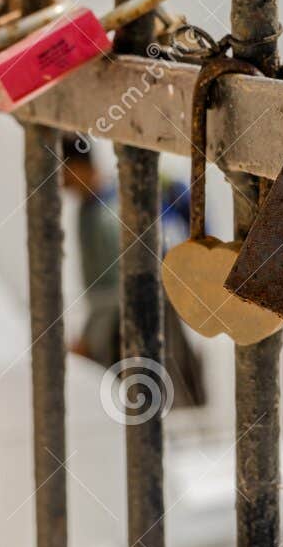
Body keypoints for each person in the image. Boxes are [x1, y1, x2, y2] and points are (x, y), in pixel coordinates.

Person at [62, 137, 206, 409]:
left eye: (62, 172)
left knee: (149, 405)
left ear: (76, 167)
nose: (60, 182)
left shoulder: (107, 215)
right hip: (123, 323)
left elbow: (115, 289)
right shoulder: (93, 205)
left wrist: (89, 336)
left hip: (135, 321)